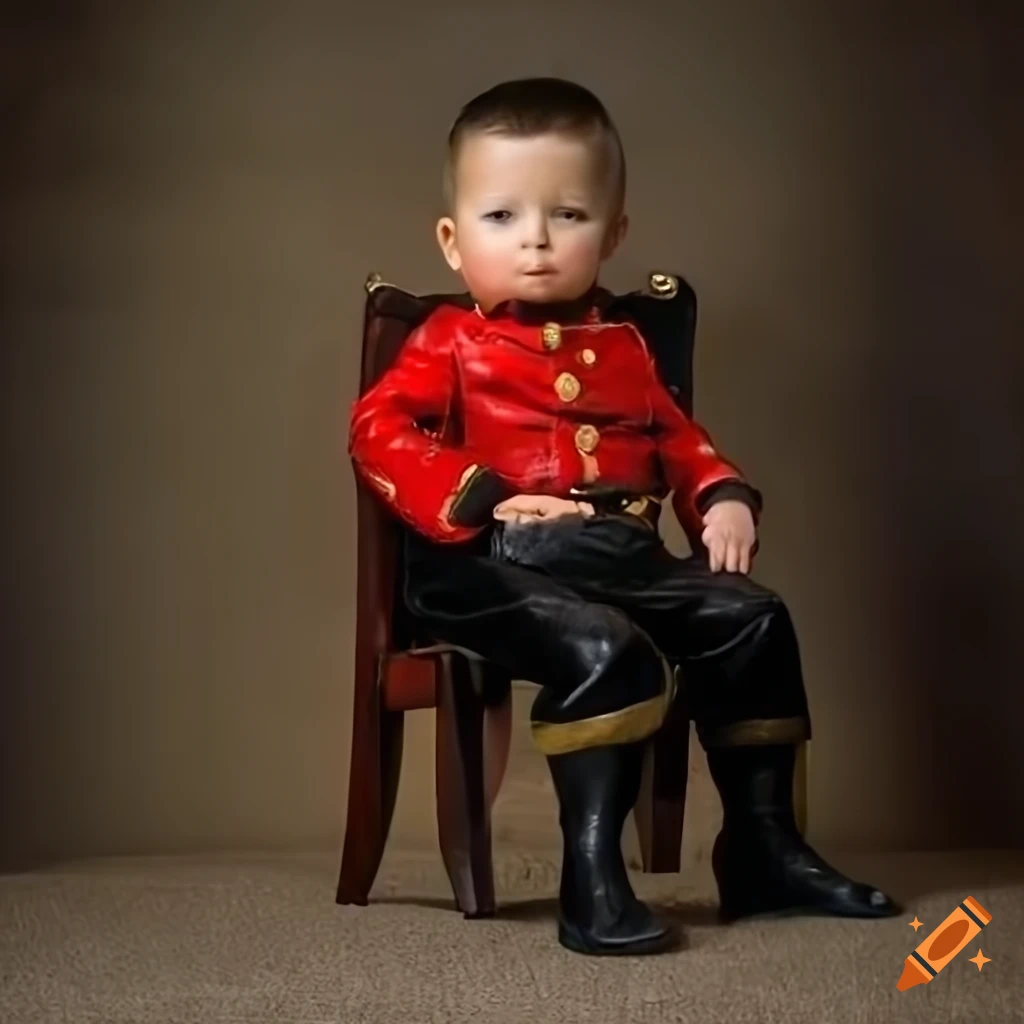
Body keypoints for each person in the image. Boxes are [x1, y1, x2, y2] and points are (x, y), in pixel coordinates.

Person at [348, 77, 899, 956]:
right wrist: (486, 494)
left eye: (567, 215)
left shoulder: (628, 346)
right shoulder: (447, 340)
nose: (535, 239)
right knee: (605, 647)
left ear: (613, 233)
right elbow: (378, 432)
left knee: (753, 620)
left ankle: (764, 852)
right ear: (452, 240)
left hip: (616, 555)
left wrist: (720, 496)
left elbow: (681, 442)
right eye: (502, 217)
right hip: (487, 562)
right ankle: (592, 877)